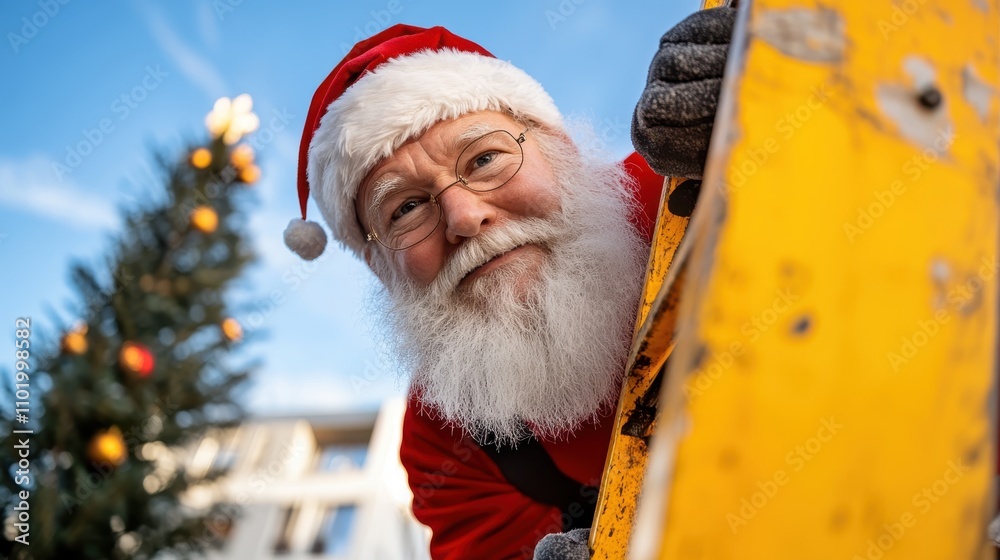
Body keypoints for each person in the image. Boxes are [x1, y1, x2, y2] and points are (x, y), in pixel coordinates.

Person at [283, 9, 735, 559]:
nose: (464, 216)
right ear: (379, 267)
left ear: (561, 152)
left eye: (486, 158)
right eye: (403, 209)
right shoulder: (448, 435)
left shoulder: (676, 178)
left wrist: (752, 122)